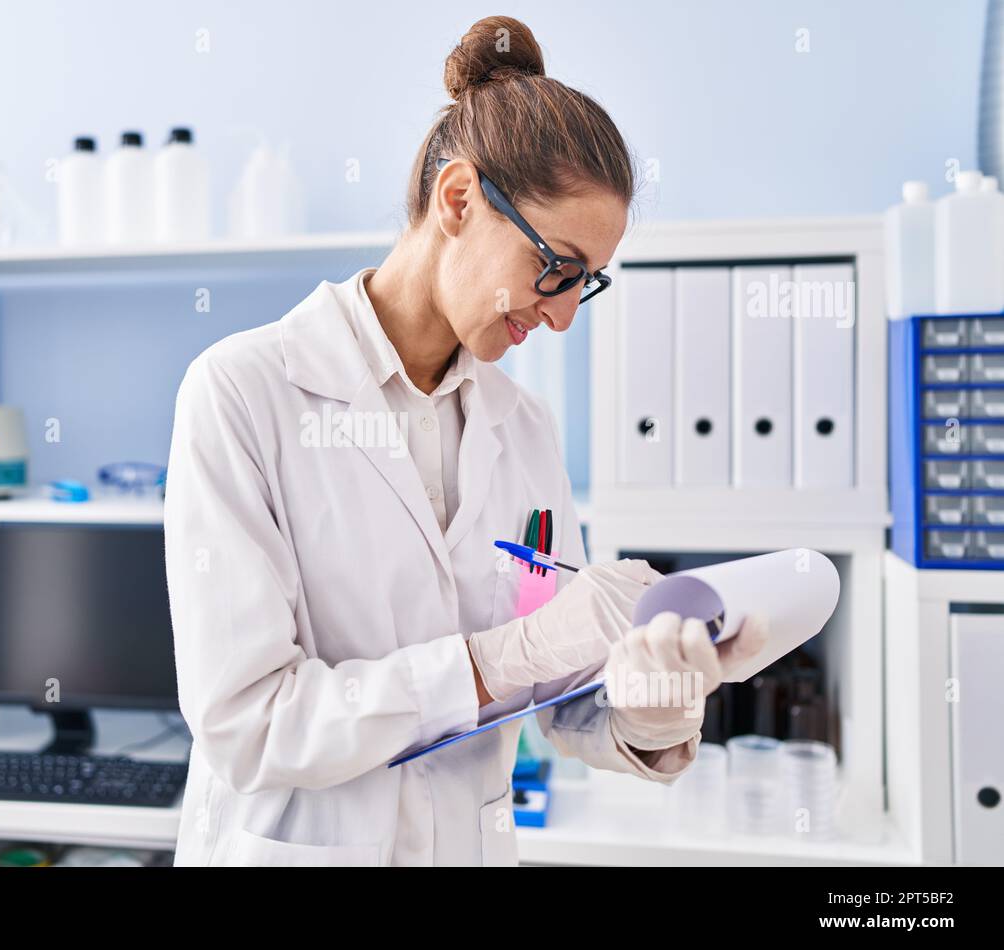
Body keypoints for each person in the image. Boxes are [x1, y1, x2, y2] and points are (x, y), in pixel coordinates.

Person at [164, 15, 769, 866]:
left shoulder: (522, 428)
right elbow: (250, 723)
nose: (561, 315)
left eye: (584, 284)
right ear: (457, 200)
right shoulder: (243, 392)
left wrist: (648, 704)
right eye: (555, 266)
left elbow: (560, 696)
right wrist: (510, 652)